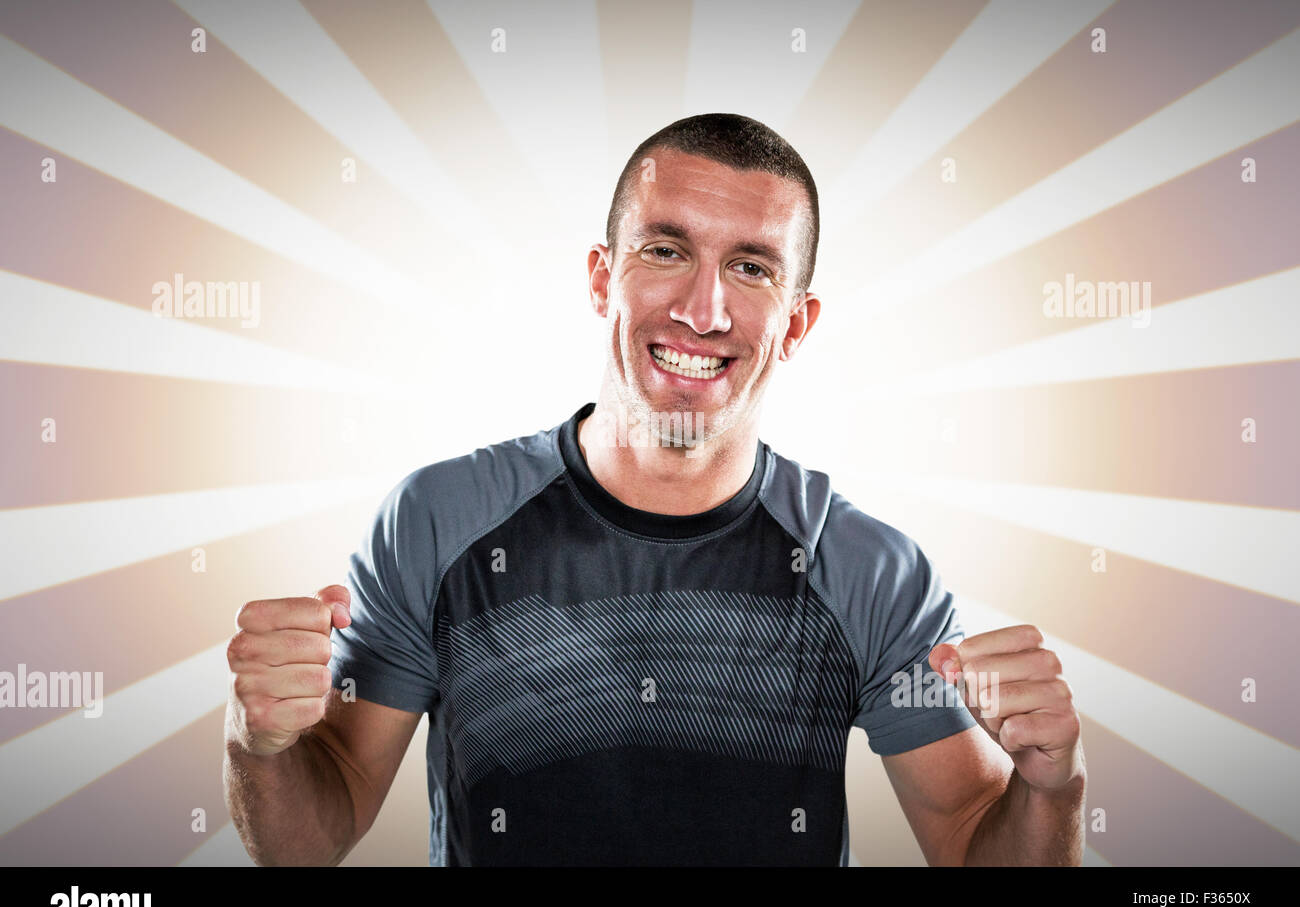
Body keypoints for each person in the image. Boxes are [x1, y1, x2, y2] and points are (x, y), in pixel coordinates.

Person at [224, 113, 1085, 866]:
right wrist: (258, 745)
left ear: (796, 322)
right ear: (602, 277)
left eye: (752, 268)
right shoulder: (436, 521)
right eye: (666, 250)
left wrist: (1051, 791)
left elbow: (975, 840)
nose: (702, 309)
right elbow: (311, 838)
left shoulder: (870, 570)